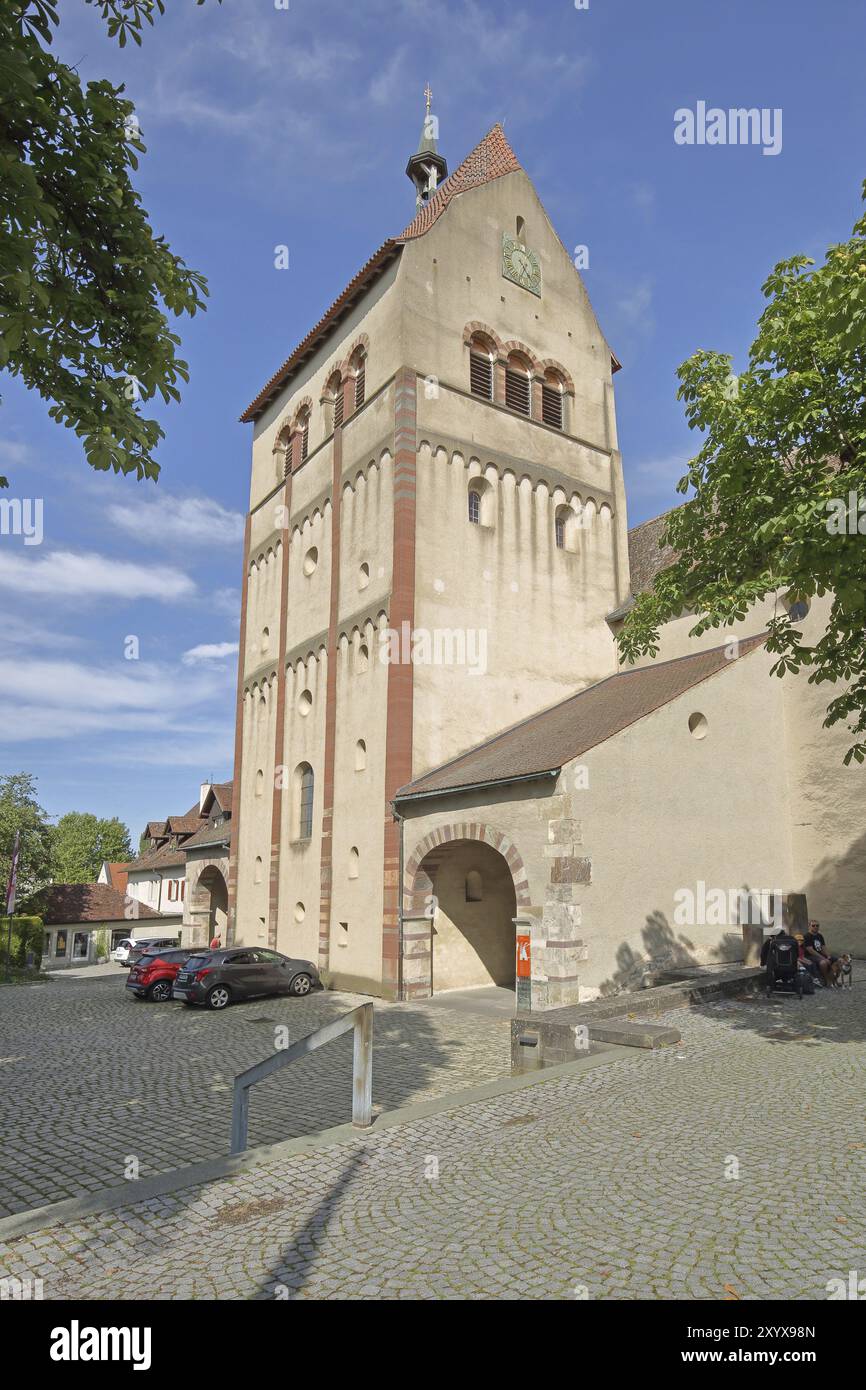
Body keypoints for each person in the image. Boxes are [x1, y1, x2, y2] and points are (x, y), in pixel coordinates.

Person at [803, 920, 837, 988]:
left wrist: (828, 956)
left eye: (817, 925)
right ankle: (825, 978)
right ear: (809, 926)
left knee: (838, 961)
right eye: (813, 925)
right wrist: (823, 958)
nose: (815, 927)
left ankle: (834, 979)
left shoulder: (820, 936)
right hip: (810, 956)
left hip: (820, 955)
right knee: (823, 963)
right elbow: (811, 950)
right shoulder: (807, 936)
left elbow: (823, 947)